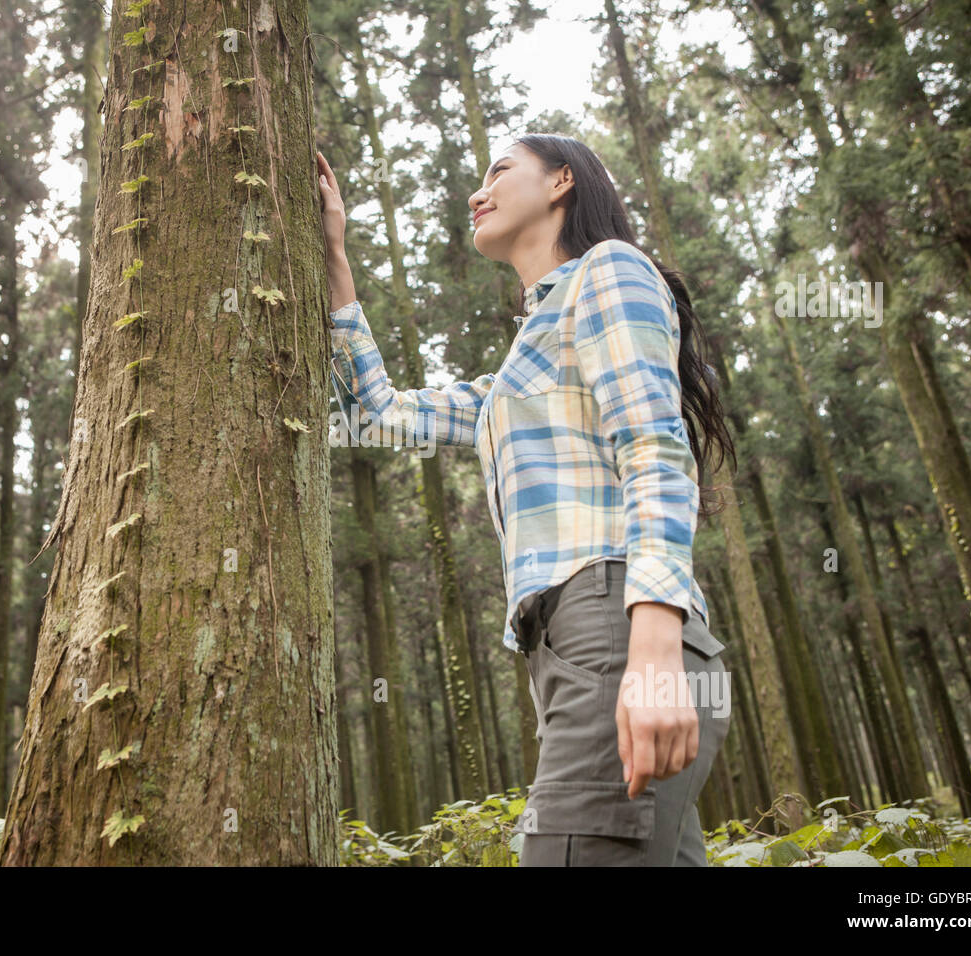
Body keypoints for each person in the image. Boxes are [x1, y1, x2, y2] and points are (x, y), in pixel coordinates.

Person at [316, 133, 737, 866]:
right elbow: (379, 413)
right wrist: (334, 260)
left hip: (621, 625)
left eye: (499, 171)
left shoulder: (608, 271)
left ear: (561, 182)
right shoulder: (522, 362)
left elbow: (654, 445)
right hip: (579, 651)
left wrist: (654, 648)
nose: (477, 193)